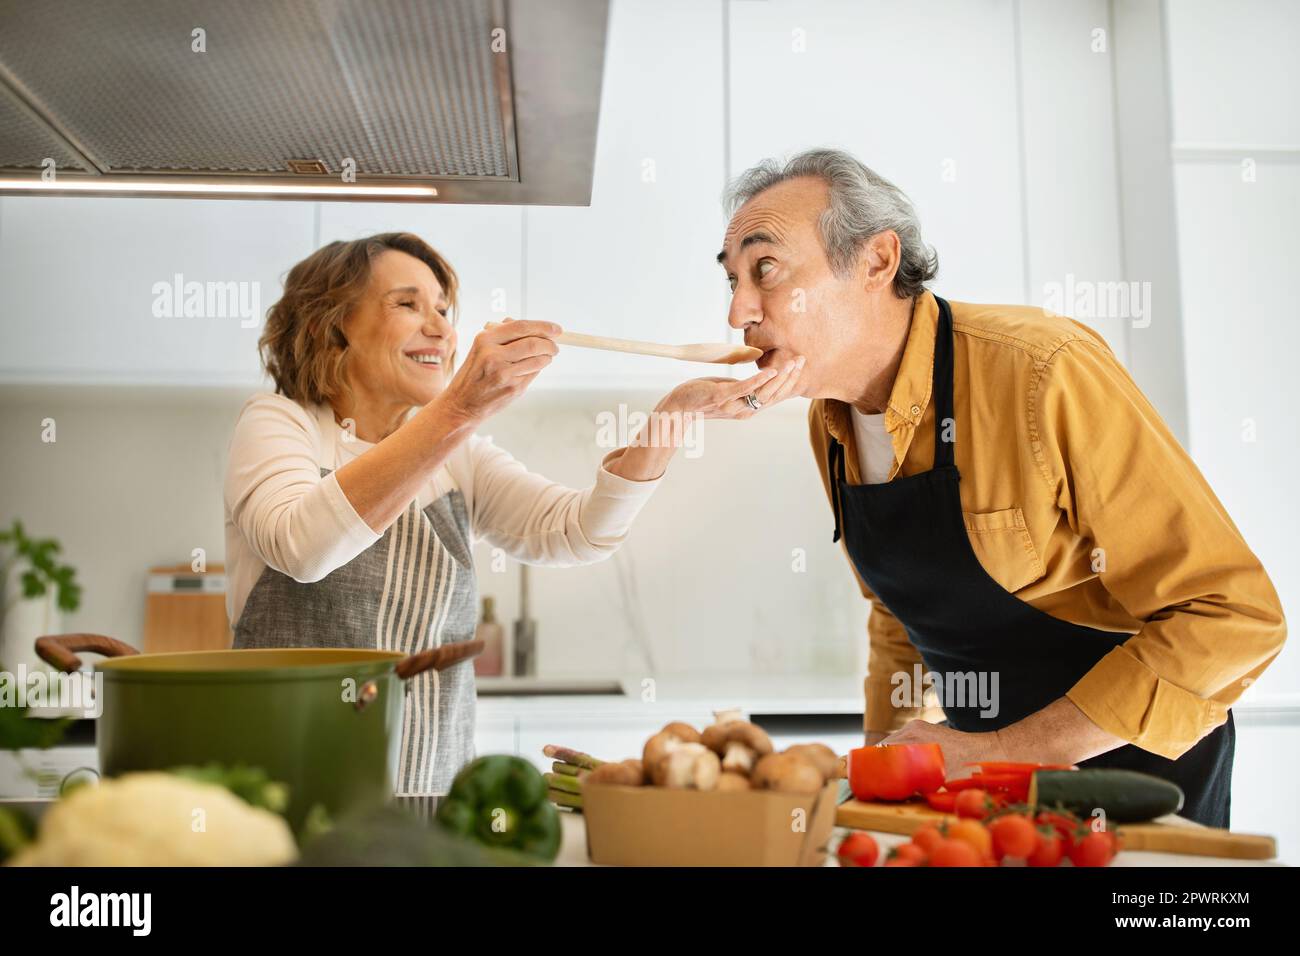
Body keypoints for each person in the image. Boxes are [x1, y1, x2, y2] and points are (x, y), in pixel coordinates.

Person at [715, 148, 1285, 826]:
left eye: (767, 269)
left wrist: (1000, 750)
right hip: (987, 786)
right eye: (732, 281)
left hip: (1139, 782)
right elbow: (899, 622)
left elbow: (1232, 616)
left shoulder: (1043, 370)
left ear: (875, 262)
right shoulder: (829, 424)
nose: (738, 312)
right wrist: (882, 783)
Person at [223, 232, 802, 796]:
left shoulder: (458, 454)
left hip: (428, 793)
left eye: (444, 309)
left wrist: (670, 420)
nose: (441, 328)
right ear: (334, 324)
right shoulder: (281, 423)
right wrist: (457, 410)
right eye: (407, 304)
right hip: (285, 788)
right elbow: (302, 548)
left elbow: (577, 532)